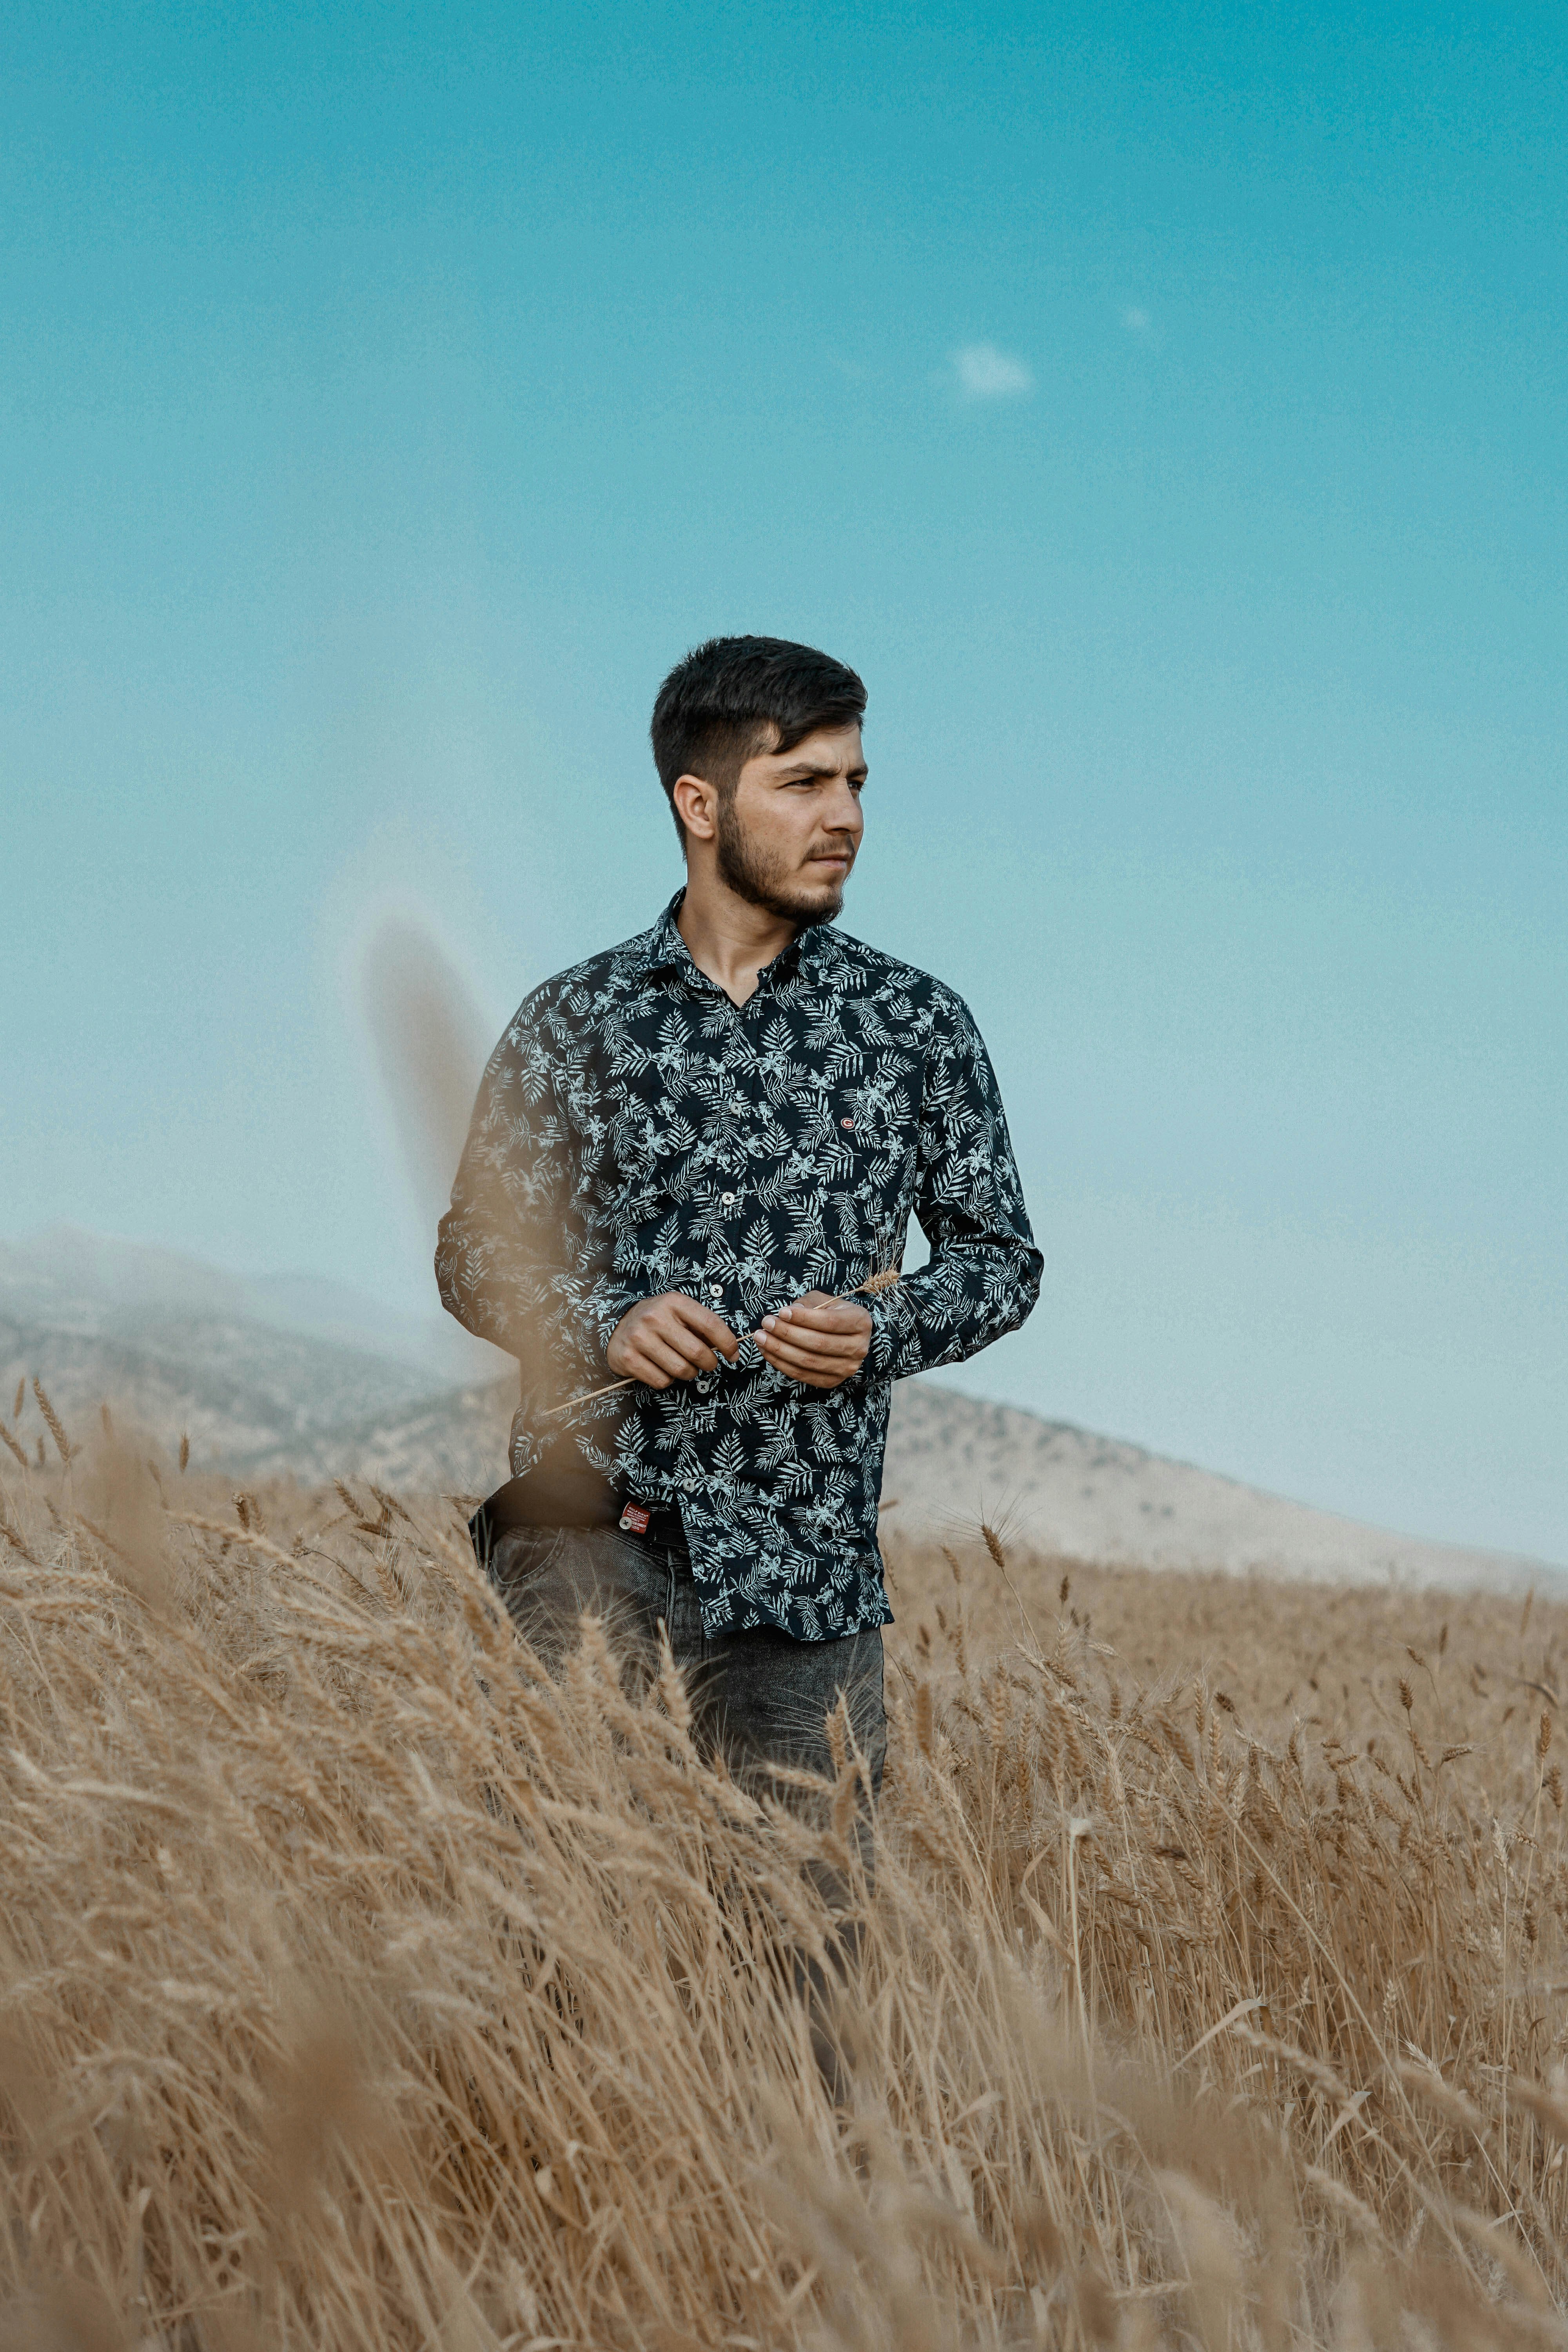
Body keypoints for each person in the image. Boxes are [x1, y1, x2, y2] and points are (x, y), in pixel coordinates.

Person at [436, 634, 1042, 1862]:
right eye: (805, 783)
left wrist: (885, 1331)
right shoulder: (573, 1021)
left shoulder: (917, 1026)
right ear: (699, 804)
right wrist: (600, 1316)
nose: (846, 817)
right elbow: (469, 1254)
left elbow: (1001, 1261)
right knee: (552, 1955)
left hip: (807, 1585)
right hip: (583, 1560)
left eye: (857, 783)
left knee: (803, 1988)